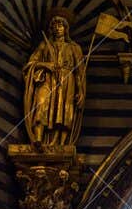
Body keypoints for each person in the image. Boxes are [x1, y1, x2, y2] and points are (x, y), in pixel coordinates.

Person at [22, 12, 86, 146]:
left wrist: (80, 91)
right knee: (41, 105)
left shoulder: (74, 48)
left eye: (61, 25)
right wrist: (46, 65)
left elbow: (79, 72)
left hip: (67, 81)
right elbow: (30, 64)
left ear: (66, 28)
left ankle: (60, 144)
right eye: (55, 25)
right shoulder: (44, 45)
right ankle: (38, 138)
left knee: (63, 112)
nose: (58, 28)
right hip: (47, 79)